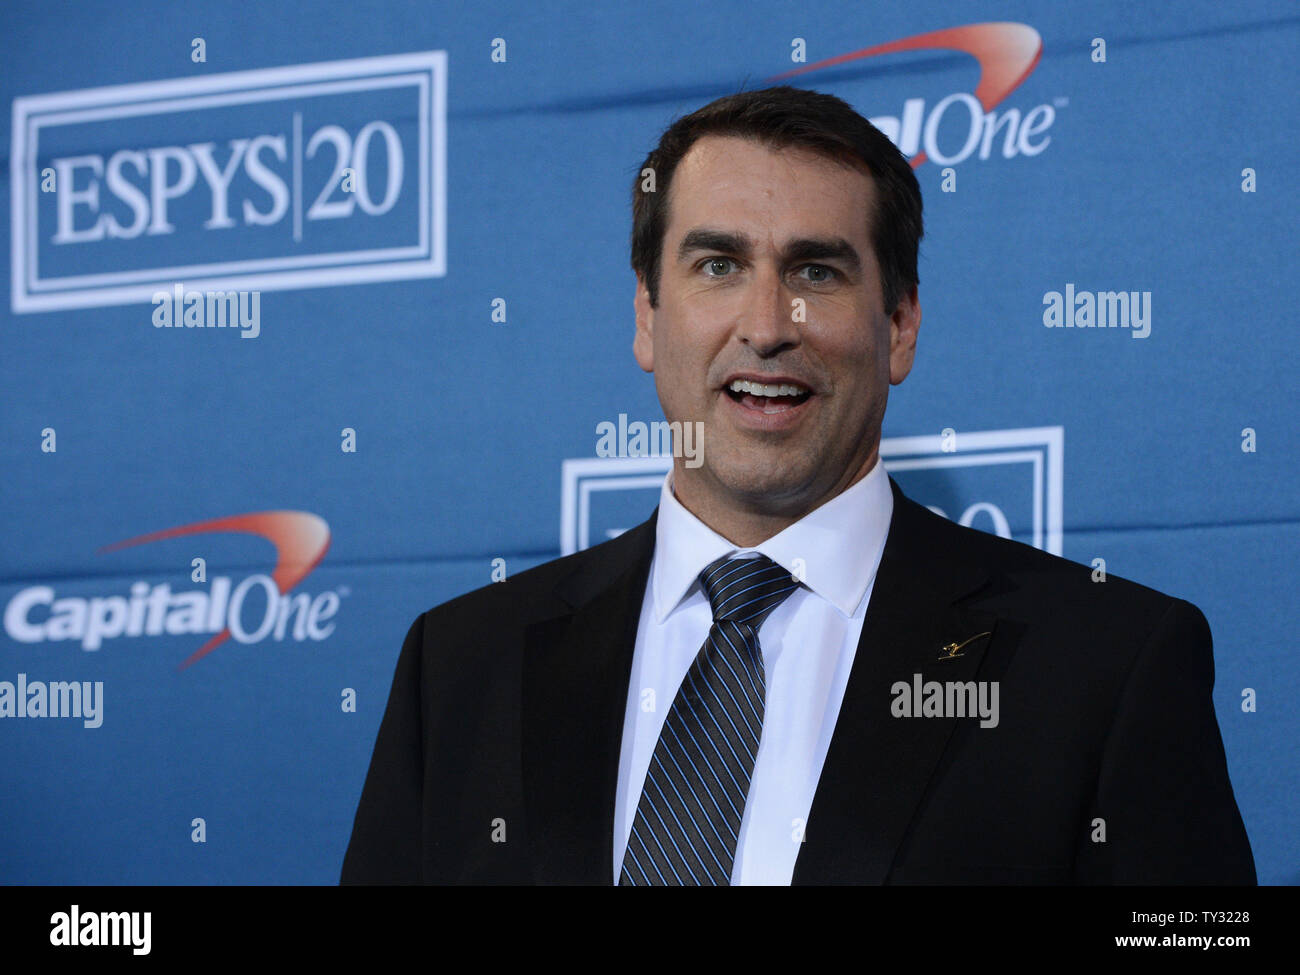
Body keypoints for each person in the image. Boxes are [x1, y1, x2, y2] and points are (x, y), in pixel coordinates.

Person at [341, 86, 1255, 885]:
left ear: (899, 325)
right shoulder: (461, 667)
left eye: (816, 270)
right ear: (648, 319)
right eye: (718, 266)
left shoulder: (1103, 665)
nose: (769, 324)